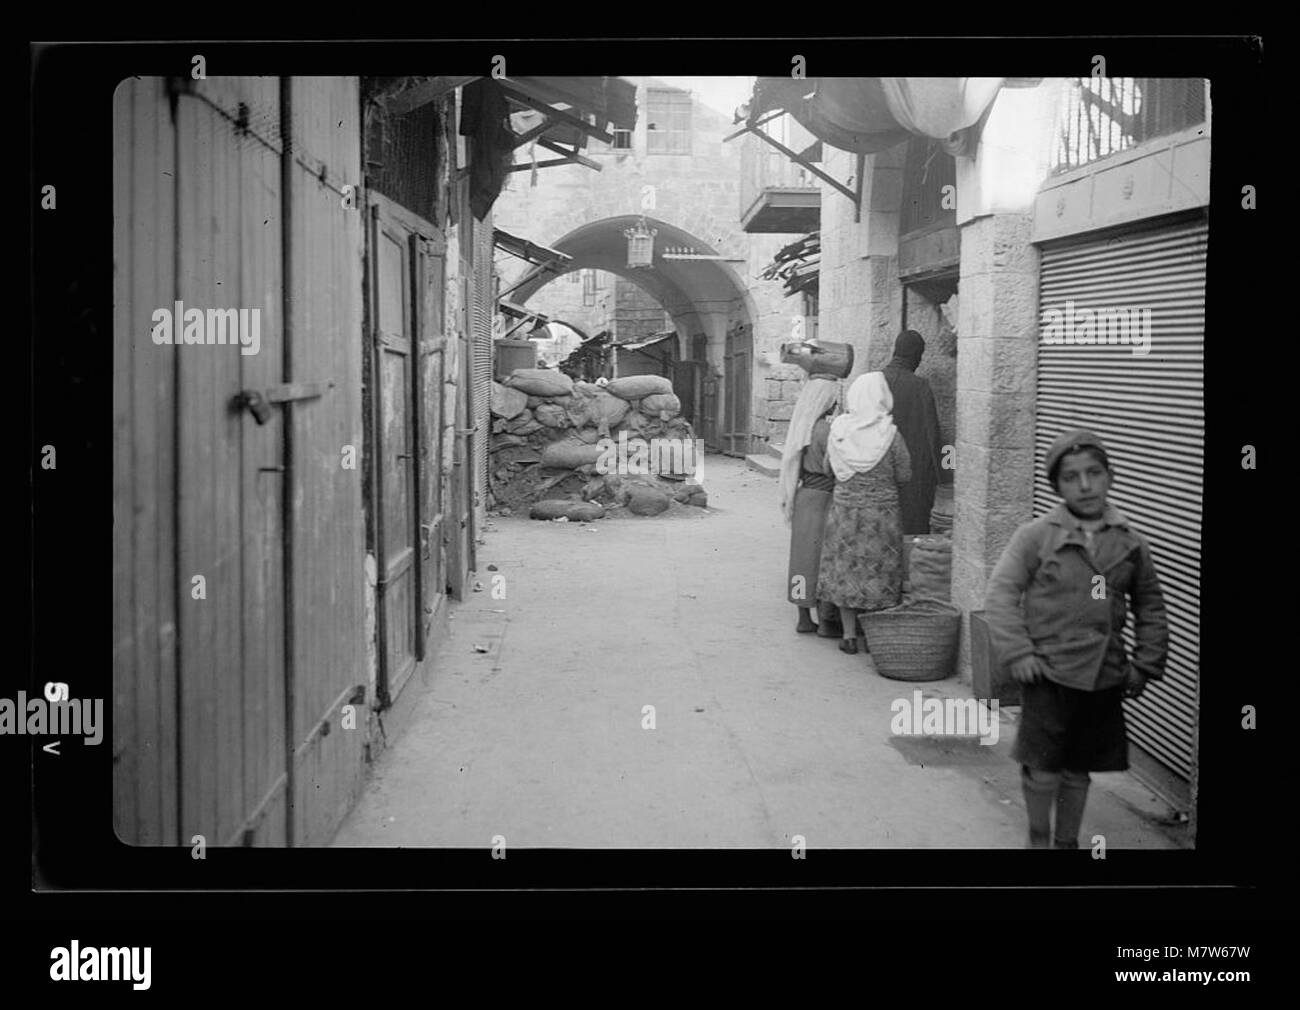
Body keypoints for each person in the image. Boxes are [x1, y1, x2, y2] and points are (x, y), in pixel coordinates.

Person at [983, 429, 1169, 849]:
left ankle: (1066, 843)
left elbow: (1151, 606)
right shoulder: (1036, 536)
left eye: (1094, 473)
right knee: (1043, 767)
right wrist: (1018, 652)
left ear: (1109, 476)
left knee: (1077, 769)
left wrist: (1144, 664)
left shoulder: (1130, 543)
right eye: (1071, 477)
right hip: (1047, 674)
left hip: (1102, 676)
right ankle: (1038, 837)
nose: (1085, 485)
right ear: (1058, 485)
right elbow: (1001, 593)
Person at [816, 372, 912, 655]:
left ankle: (848, 636)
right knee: (878, 572)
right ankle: (872, 636)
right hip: (882, 517)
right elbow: (905, 474)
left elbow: (826, 468)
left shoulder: (840, 431)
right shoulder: (891, 435)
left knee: (846, 571)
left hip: (845, 513)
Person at [780, 376, 842, 636]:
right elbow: (836, 466)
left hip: (805, 495)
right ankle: (827, 621)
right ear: (826, 402)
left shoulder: (802, 429)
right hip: (825, 497)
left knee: (802, 558)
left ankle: (803, 616)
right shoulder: (827, 431)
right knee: (826, 558)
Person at [881, 329, 947, 535]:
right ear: (915, 355)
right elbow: (934, 436)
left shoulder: (874, 380)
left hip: (879, 471)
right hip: (913, 475)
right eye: (920, 355)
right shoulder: (920, 387)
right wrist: (946, 473)